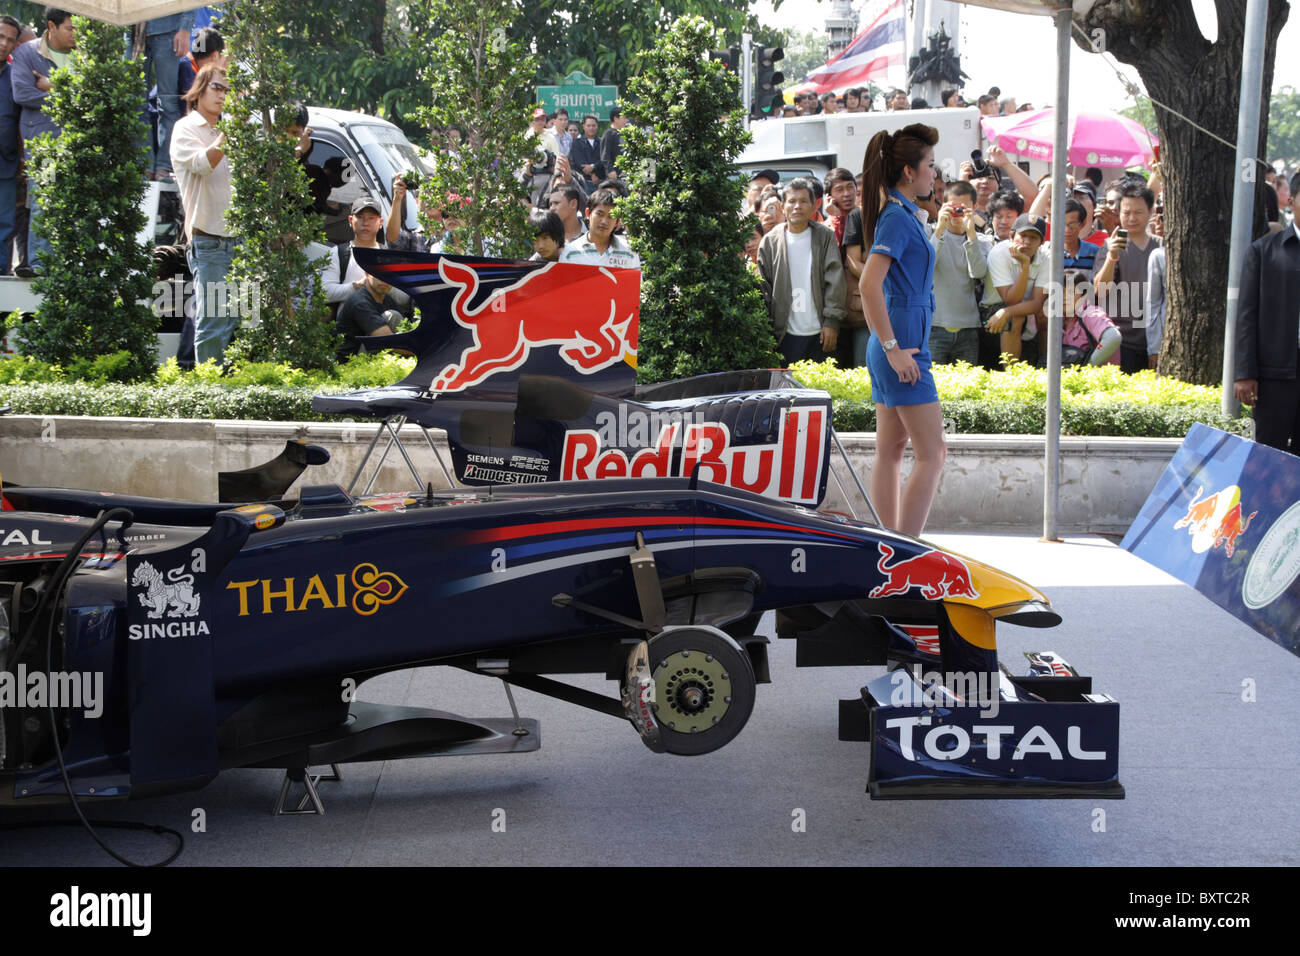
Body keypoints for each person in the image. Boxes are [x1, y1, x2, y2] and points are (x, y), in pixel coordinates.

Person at [858, 123, 945, 536]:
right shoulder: (896, 216)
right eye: (930, 165)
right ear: (910, 172)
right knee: (933, 452)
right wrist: (893, 348)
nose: (935, 173)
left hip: (900, 343)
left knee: (892, 451)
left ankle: (889, 546)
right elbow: (867, 284)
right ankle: (908, 551)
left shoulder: (904, 214)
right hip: (901, 347)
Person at [170, 65, 235, 364]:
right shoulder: (185, 128)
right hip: (209, 240)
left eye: (227, 89)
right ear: (199, 90)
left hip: (239, 240)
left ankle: (224, 389)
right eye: (217, 87)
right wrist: (230, 133)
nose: (223, 94)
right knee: (212, 322)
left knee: (234, 320)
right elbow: (203, 164)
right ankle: (210, 391)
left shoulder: (230, 128)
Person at [1233, 169, 1300, 454]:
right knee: (1270, 455)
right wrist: (1244, 372)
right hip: (1276, 374)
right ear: (1291, 202)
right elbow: (1246, 315)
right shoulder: (1264, 252)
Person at [11, 6, 76, 274]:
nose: (76, 35)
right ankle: (39, 264)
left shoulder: (83, 55)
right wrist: (70, 93)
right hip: (45, 143)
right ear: (52, 25)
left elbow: (98, 93)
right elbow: (23, 94)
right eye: (70, 28)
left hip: (79, 143)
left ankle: (66, 264)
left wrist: (53, 85)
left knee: (73, 206)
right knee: (43, 201)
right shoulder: (27, 53)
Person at [757, 176, 845, 365]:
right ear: (782, 206)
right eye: (792, 201)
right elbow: (762, 288)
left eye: (804, 201)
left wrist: (831, 322)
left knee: (820, 389)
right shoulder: (770, 242)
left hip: (820, 332)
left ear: (814, 206)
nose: (798, 206)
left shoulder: (824, 236)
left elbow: (835, 279)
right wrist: (765, 333)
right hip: (784, 334)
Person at [1092, 180, 1161, 373]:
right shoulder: (1109, 246)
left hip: (1155, 340)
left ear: (1150, 211)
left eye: (1138, 212)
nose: (1132, 218)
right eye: (1126, 212)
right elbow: (1099, 290)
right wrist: (1111, 256)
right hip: (1122, 341)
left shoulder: (1162, 247)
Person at [929, 180, 991, 366]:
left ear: (975, 207)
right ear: (943, 206)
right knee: (934, 389)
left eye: (963, 208)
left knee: (965, 391)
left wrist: (971, 234)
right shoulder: (931, 235)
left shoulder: (981, 241)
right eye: (953, 207)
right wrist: (939, 228)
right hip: (935, 325)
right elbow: (926, 267)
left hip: (969, 327)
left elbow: (979, 272)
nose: (958, 213)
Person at [982, 214, 1049, 365]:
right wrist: (1025, 266)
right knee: (1015, 318)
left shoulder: (1046, 257)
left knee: (1047, 314)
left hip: (1023, 311)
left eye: (1033, 238)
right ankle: (1011, 378)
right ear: (1012, 237)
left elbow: (1037, 303)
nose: (1027, 242)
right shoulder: (999, 253)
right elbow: (1011, 299)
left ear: (1041, 243)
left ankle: (1044, 366)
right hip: (990, 311)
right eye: (1023, 236)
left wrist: (1006, 312)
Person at [323, 195, 385, 310]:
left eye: (371, 218)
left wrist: (386, 285)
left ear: (381, 222)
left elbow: (404, 299)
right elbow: (325, 292)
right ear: (351, 220)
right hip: (348, 321)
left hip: (383, 318)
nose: (365, 223)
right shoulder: (338, 252)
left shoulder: (388, 256)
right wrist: (358, 286)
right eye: (360, 217)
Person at [335, 271, 409, 363]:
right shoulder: (360, 302)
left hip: (371, 356)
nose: (384, 279)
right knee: (392, 316)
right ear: (367, 274)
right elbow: (388, 341)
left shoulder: (387, 299)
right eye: (378, 273)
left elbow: (408, 330)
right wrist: (419, 350)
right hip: (350, 362)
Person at [559, 188, 640, 267]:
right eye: (600, 214)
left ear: (618, 221)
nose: (604, 221)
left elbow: (636, 280)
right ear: (588, 213)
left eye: (611, 216)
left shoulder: (629, 252)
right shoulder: (570, 253)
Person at [1061, 270, 1121, 366]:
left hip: (1097, 379)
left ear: (1084, 294)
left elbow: (1113, 337)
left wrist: (1088, 367)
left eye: (1071, 292)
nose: (1064, 297)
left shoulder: (1090, 313)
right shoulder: (1058, 319)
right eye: (1060, 292)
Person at [0, 15, 21, 275]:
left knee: (4, 226)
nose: (4, 44)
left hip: (5, 163)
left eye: (10, 40)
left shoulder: (16, 75)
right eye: (0, 36)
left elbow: (21, 119)